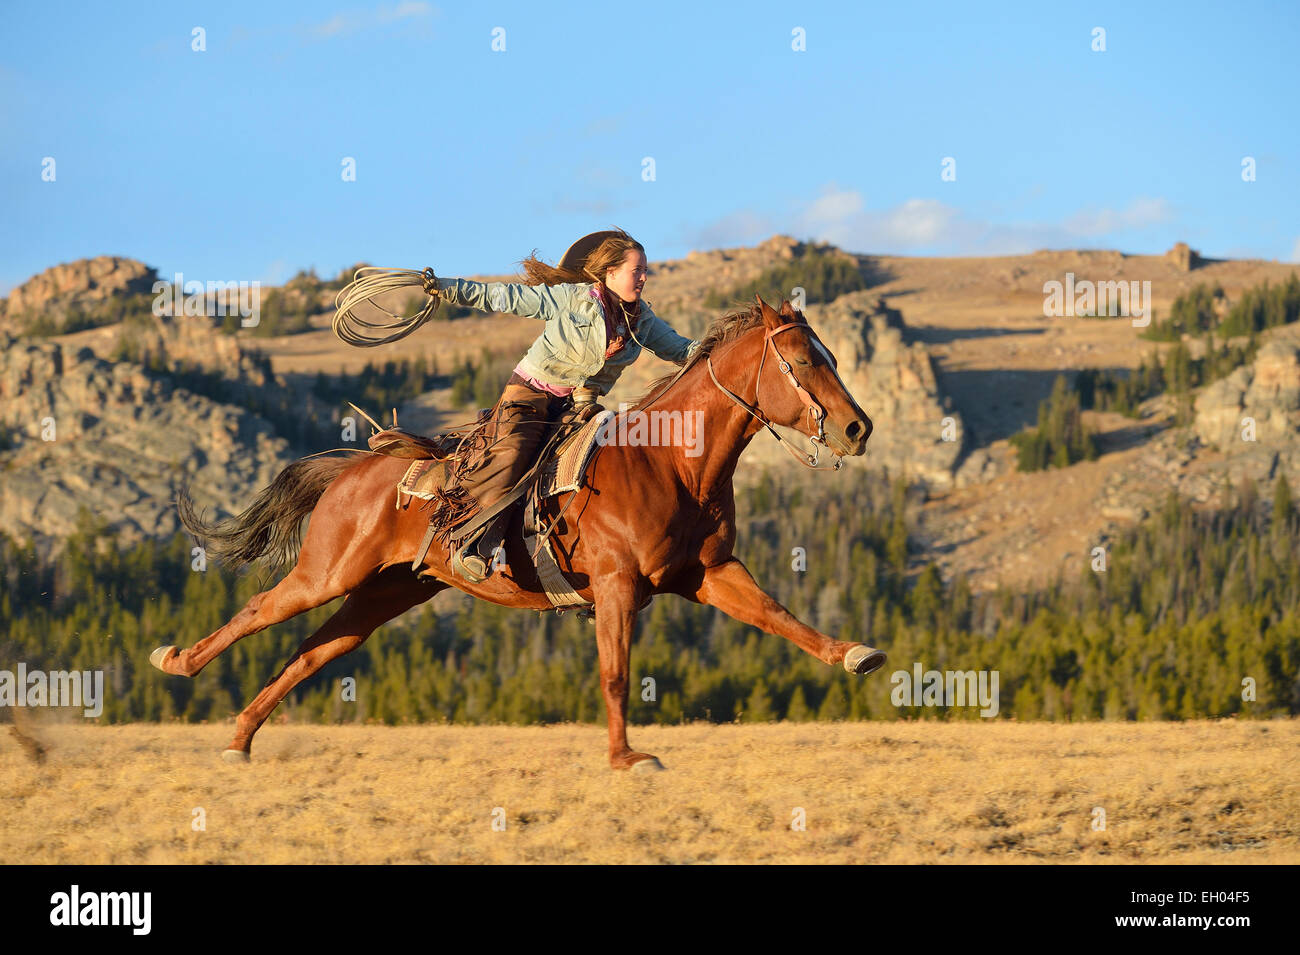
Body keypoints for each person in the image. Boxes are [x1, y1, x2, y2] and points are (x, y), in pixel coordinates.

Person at [430, 228, 700, 582]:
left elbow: (682, 350)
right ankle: (473, 539)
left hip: (580, 406)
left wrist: (731, 346)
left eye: (645, 270)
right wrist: (448, 287)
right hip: (530, 395)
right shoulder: (572, 299)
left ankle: (594, 562)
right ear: (610, 273)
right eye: (638, 270)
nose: (644, 278)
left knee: (610, 462)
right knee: (513, 453)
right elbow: (506, 297)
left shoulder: (643, 320)